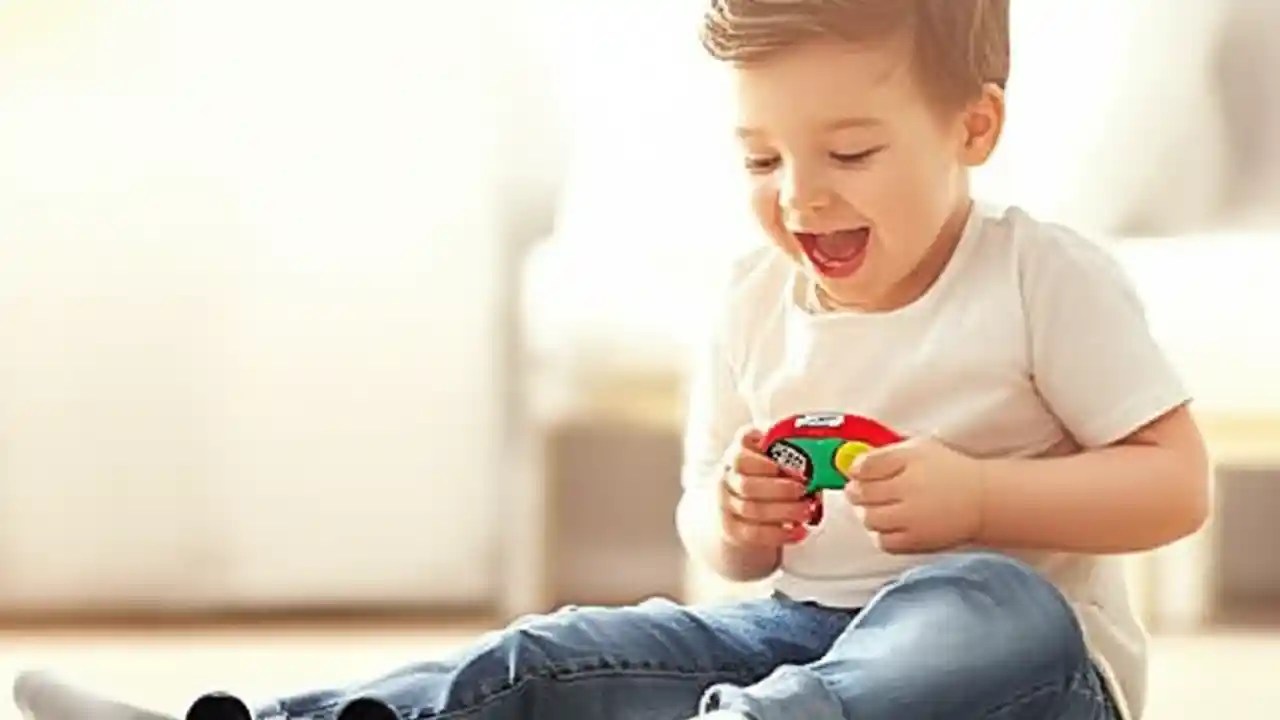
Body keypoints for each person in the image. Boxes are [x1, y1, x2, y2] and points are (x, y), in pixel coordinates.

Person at [15, 1, 1210, 719]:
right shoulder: (752, 300)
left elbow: (1173, 485)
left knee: (982, 592)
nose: (799, 195)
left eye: (848, 150)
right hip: (801, 639)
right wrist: (740, 518)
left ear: (972, 129)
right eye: (759, 160)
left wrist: (984, 498)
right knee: (570, 650)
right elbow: (710, 533)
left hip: (1020, 680)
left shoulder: (1037, 276)